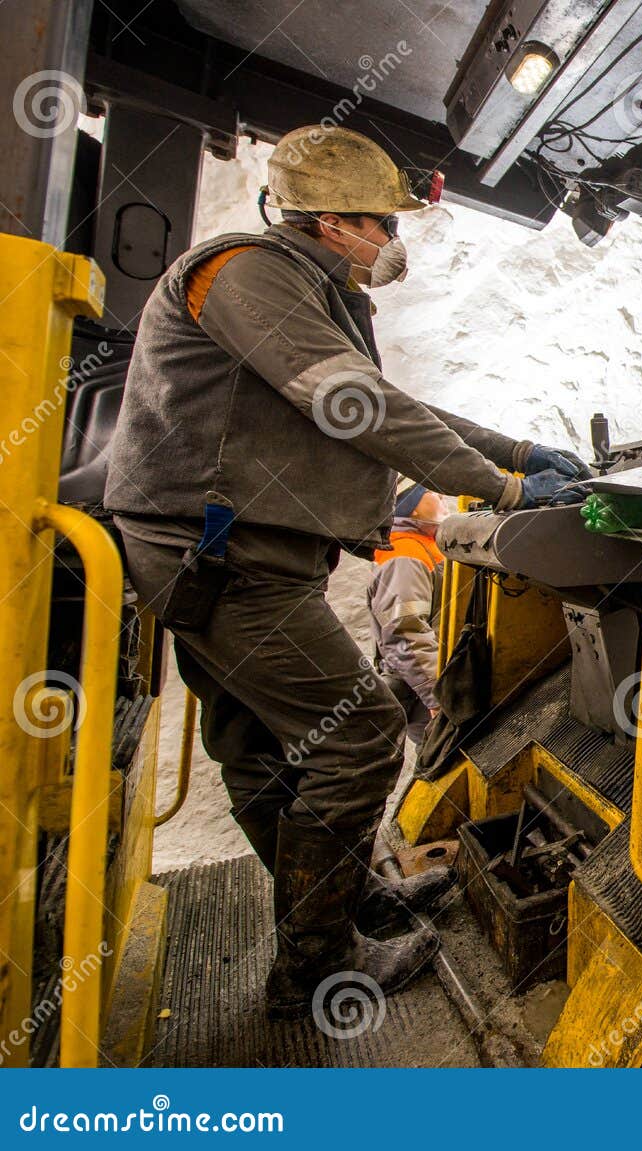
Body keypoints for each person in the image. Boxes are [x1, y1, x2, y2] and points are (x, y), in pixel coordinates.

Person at [104, 125, 587, 1020]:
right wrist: (506, 486)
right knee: (360, 730)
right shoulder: (245, 273)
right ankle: (318, 966)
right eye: (381, 222)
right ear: (331, 220)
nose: (391, 241)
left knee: (257, 752)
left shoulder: (302, 288)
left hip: (235, 557)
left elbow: (393, 403)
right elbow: (350, 401)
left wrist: (515, 450)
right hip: (221, 559)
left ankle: (346, 902)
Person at [369, 480, 448, 746]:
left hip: (431, 682)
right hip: (423, 695)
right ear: (412, 508)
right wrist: (438, 697)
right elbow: (405, 632)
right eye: (430, 491)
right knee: (445, 759)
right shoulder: (404, 555)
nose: (439, 495)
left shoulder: (422, 544)